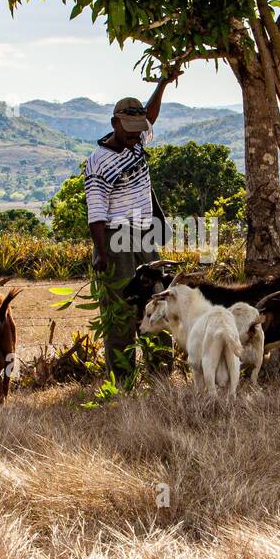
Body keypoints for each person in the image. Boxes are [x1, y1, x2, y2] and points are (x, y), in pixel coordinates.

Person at [86, 71, 178, 379]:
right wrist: (100, 253)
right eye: (128, 129)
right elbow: (96, 211)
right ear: (114, 124)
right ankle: (122, 381)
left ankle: (161, 375)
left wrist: (163, 83)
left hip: (145, 238)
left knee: (158, 303)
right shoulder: (99, 161)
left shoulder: (137, 143)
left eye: (139, 130)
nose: (135, 134)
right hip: (114, 242)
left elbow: (150, 115)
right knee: (121, 314)